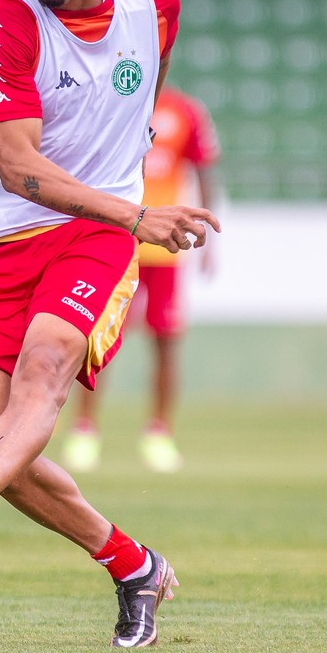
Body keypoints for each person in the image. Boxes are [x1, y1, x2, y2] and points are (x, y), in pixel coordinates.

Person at [0, 0, 219, 649]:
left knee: (44, 371)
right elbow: (19, 168)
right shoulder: (1, 19)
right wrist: (140, 212)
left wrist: (127, 207)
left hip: (91, 235)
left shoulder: (155, 1)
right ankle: (133, 565)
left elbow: (142, 87)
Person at [63, 85, 221, 474]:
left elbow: (203, 171)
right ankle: (85, 431)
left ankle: (159, 433)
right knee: (98, 340)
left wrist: (211, 243)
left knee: (166, 340)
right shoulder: (114, 96)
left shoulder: (185, 110)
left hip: (167, 249)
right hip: (119, 242)